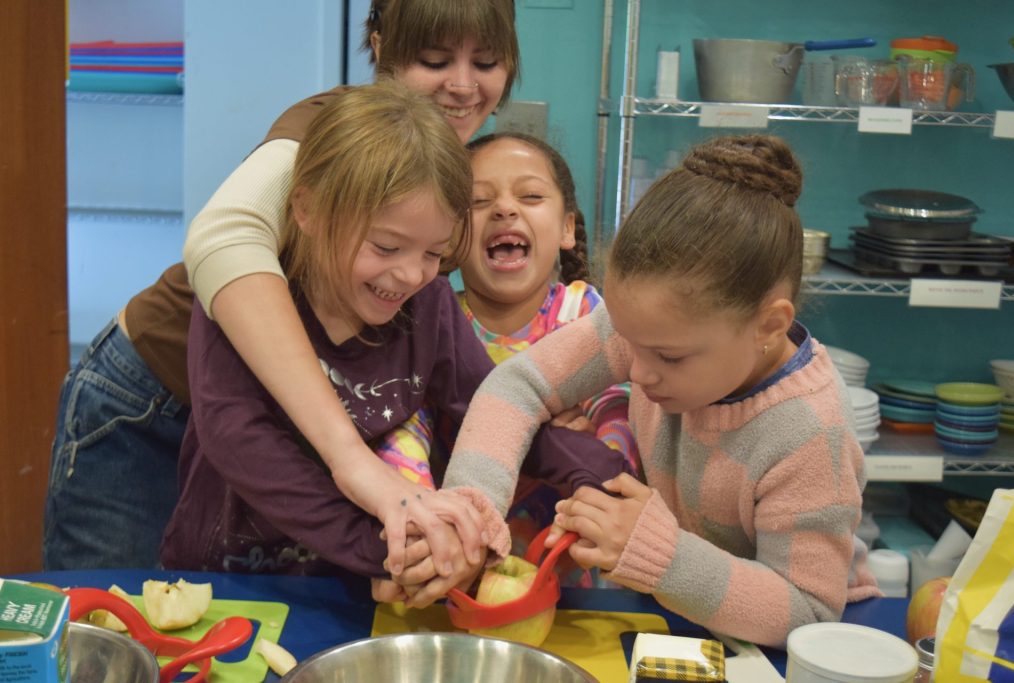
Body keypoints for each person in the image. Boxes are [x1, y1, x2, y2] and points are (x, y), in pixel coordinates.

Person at [43, 0, 519, 572]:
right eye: (435, 60)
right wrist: (355, 466)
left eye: (486, 62)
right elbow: (222, 240)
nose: (463, 85)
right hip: (152, 397)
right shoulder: (329, 128)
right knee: (109, 609)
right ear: (380, 47)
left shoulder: (442, 163)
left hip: (255, 434)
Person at [161, 81, 629, 583]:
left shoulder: (427, 305)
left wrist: (603, 478)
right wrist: (383, 551)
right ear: (308, 209)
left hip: (354, 586)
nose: (409, 276)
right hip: (227, 579)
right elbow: (241, 441)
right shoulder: (246, 301)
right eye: (386, 247)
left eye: (433, 253)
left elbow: (492, 410)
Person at [437, 135, 881, 646]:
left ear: (768, 326)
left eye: (668, 359)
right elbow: (519, 383)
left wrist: (663, 557)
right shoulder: (652, 331)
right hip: (681, 615)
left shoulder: (809, 432)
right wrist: (473, 505)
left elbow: (808, 612)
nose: (639, 376)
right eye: (629, 344)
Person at [375, 132, 638, 586]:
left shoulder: (584, 314)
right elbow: (406, 423)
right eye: (478, 201)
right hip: (449, 566)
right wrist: (421, 519)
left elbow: (619, 404)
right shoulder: (432, 321)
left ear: (567, 229)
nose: (504, 209)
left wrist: (600, 462)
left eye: (530, 196)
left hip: (560, 575)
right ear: (448, 235)